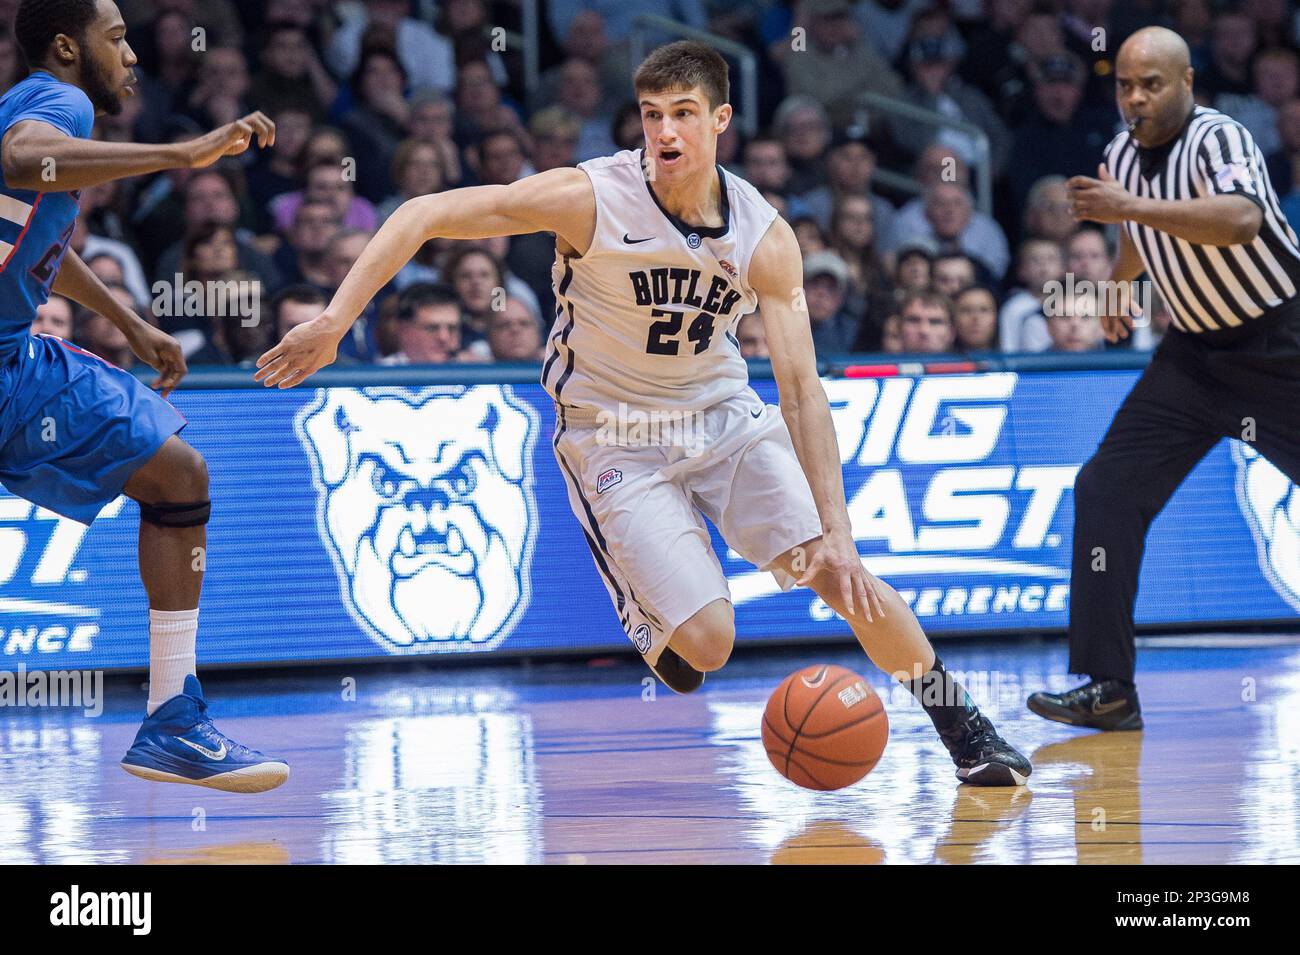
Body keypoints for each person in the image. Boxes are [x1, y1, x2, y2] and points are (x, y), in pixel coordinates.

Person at [259, 41, 1032, 786]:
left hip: (719, 415)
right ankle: (645, 605)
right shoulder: (591, 196)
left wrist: (838, 528)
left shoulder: (763, 236)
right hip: (613, 433)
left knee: (841, 573)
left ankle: (962, 726)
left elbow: (800, 388)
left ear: (721, 121)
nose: (664, 131)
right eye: (651, 113)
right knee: (709, 644)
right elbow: (423, 211)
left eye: (684, 113)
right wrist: (335, 319)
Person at [0, 0, 286, 790]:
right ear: (67, 46)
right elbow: (26, 160)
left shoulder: (42, 108)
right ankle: (171, 719)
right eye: (116, 37)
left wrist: (128, 320)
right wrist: (182, 154)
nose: (130, 56)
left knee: (177, 474)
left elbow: (40, 230)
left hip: (15, 358)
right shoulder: (59, 101)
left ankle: (173, 717)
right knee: (181, 476)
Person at [1027, 27, 1300, 730]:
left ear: (1185, 84)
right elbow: (1133, 240)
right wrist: (1121, 290)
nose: (1136, 97)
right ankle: (1108, 684)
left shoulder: (1220, 139)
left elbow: (1238, 221)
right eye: (1124, 84)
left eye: (1151, 84)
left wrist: (1131, 210)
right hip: (1192, 359)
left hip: (1279, 346)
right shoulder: (1120, 152)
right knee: (1106, 489)